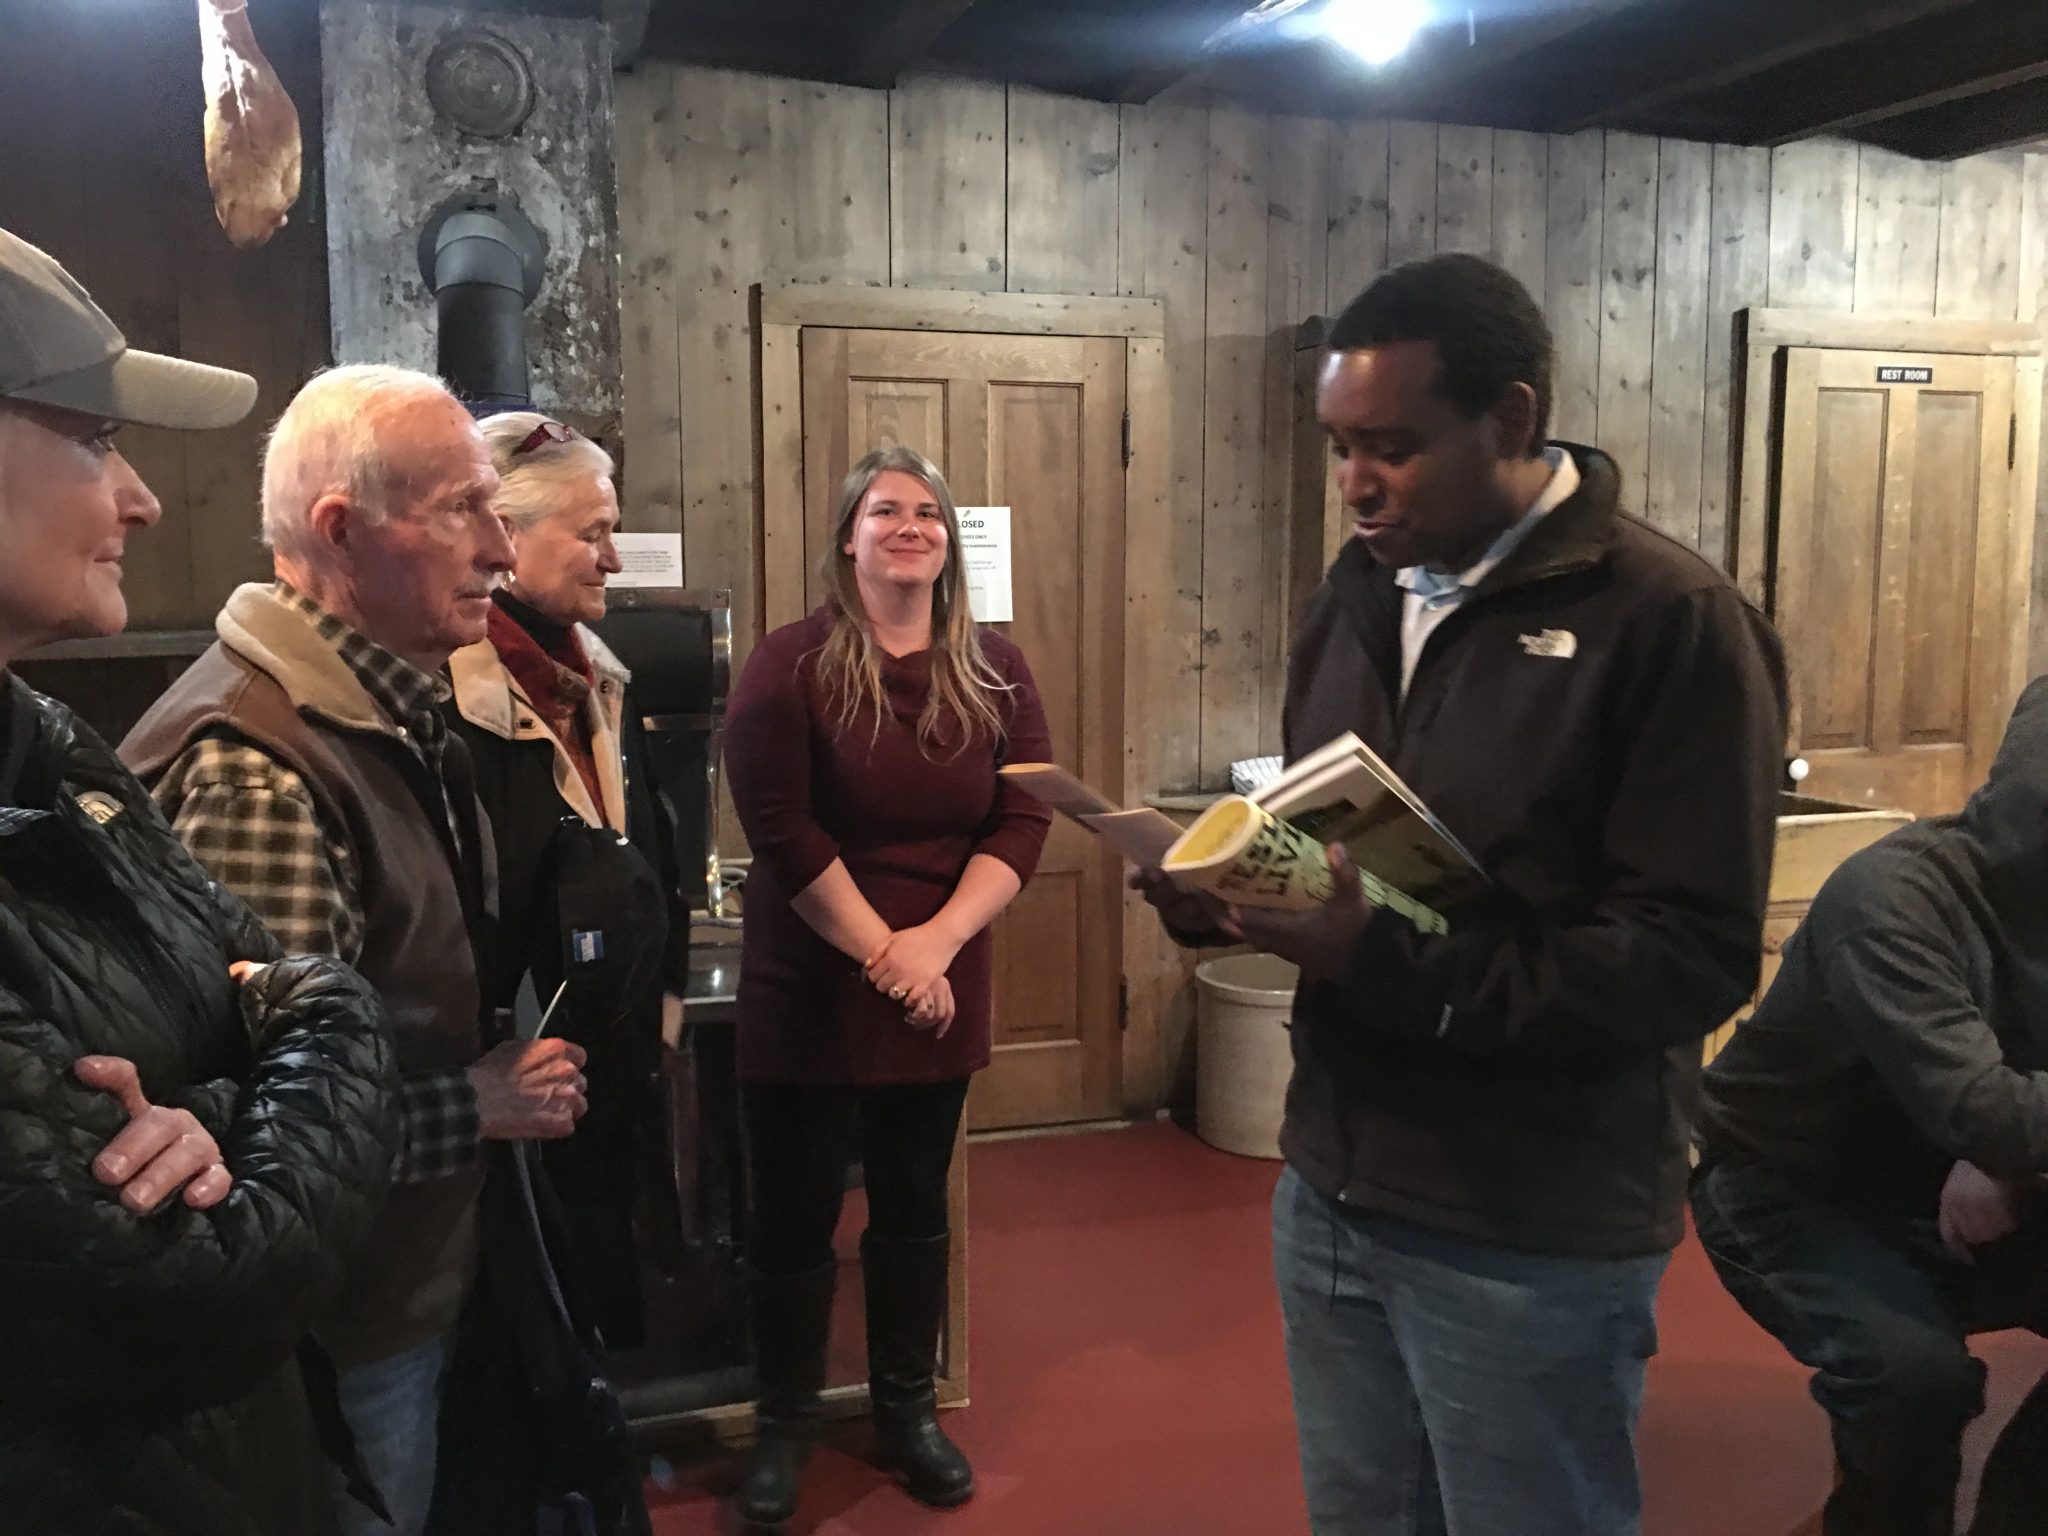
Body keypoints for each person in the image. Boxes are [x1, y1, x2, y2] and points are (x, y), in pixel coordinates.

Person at [1137, 253, 1788, 1536]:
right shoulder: (1356, 589)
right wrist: (1230, 894)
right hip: (1332, 1182)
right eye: (1337, 447)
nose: (1353, 485)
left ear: (1510, 418)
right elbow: (1334, 828)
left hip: (1529, 1221)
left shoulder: (1671, 621)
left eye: (1391, 447)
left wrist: (1378, 958)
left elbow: (1688, 959)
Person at [120, 364, 592, 1536]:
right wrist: (474, 1104)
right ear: (340, 530)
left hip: (403, 1283)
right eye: (462, 512)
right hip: (334, 1337)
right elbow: (253, 1134)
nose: (499, 550)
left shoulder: (387, 702)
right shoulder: (259, 768)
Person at [0, 227, 397, 1532]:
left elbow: (307, 985)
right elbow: (190, 1294)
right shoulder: (233, 743)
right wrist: (272, 1069)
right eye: (94, 439)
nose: (144, 500)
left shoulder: (48, 746)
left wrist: (205, 1112)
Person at [720, 445, 1053, 1529]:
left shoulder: (996, 669)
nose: (910, 526)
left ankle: (906, 1411)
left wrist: (935, 946)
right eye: (885, 511)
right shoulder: (789, 664)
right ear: (847, 539)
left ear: (948, 544)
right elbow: (780, 827)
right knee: (793, 1216)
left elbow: (1024, 817)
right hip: (809, 979)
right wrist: (887, 954)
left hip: (938, 981)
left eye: (928, 513)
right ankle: (784, 1423)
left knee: (913, 1212)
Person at [1692, 678, 2048, 1536]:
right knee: (1913, 1383)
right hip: (1796, 1185)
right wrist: (2000, 1145)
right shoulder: (1892, 896)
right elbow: (1982, 1106)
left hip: (1981, 1177)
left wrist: (2008, 1160)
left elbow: (1997, 1119)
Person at [439, 409, 678, 1535]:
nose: (613, 558)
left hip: (601, 1068)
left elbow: (643, 857)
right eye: (591, 533)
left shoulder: (596, 676)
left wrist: (659, 1008)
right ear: (506, 535)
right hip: (500, 1099)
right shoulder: (449, 698)